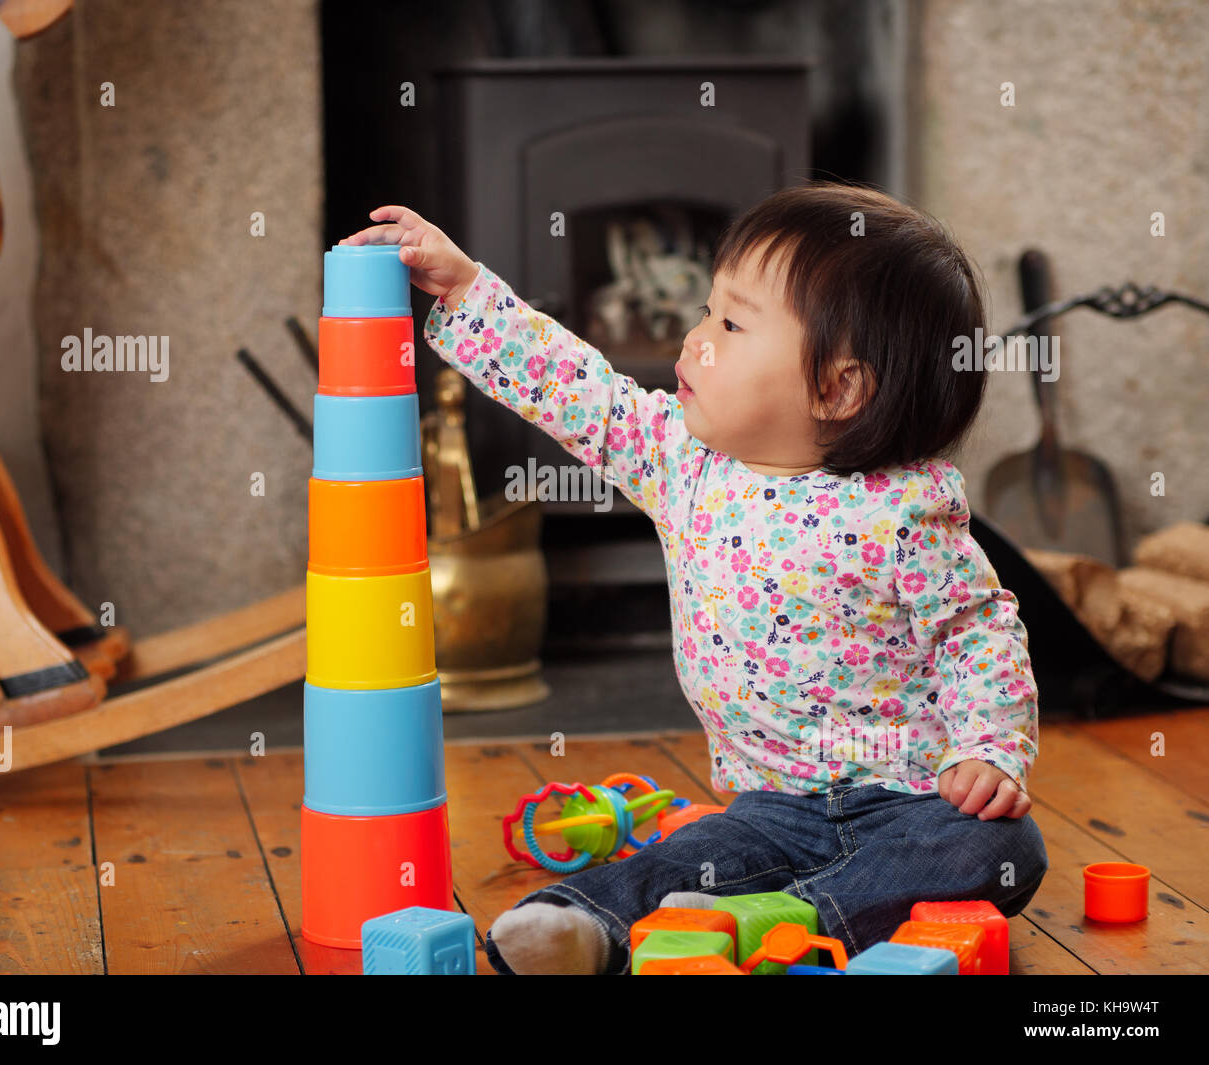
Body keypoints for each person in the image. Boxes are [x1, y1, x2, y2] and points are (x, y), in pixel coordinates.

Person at [338, 181, 1049, 974]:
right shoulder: (685, 462)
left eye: (732, 324)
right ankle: (577, 924)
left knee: (1002, 845)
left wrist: (989, 748)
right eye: (708, 311)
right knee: (693, 853)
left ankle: (794, 914)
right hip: (768, 810)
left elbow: (977, 630)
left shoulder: (908, 509)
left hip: (912, 802)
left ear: (839, 387)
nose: (696, 336)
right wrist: (468, 289)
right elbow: (581, 393)